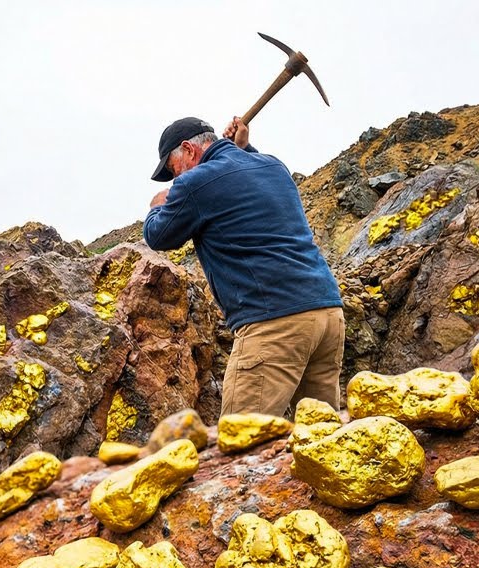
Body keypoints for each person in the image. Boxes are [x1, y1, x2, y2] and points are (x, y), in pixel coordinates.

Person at [143, 116, 345, 417]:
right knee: (323, 436)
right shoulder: (273, 166)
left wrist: (157, 206)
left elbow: (159, 235)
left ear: (188, 150)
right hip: (328, 314)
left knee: (242, 443)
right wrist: (244, 147)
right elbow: (248, 176)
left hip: (274, 323)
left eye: (173, 170)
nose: (176, 179)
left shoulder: (194, 184)